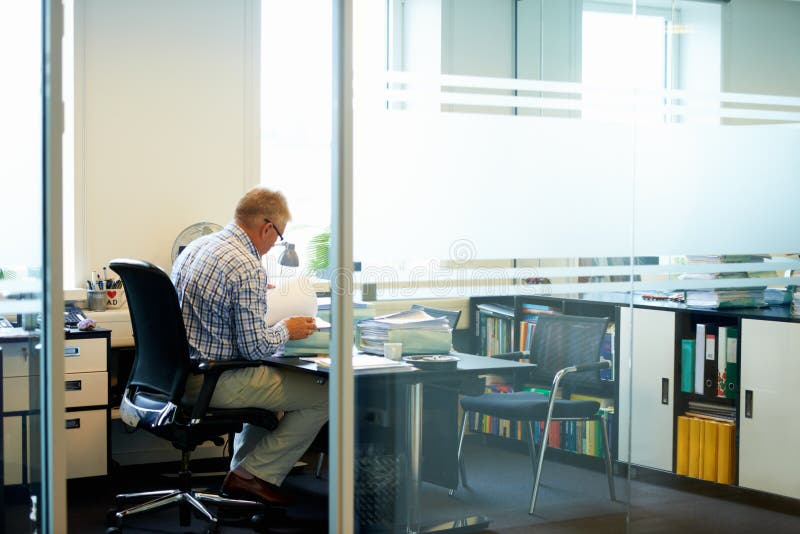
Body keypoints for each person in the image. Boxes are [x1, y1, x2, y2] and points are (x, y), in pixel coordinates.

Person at [171, 186, 328, 505]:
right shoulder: (246, 265)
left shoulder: (199, 246)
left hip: (176, 376)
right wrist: (288, 327)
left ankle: (240, 477)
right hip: (211, 381)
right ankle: (254, 475)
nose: (273, 246)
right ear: (267, 227)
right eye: (279, 238)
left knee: (268, 389)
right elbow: (255, 349)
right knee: (326, 394)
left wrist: (256, 296)